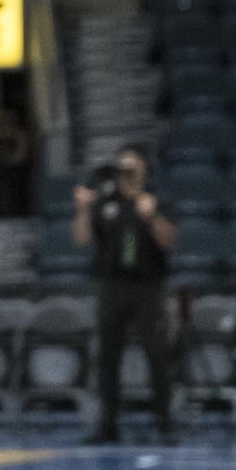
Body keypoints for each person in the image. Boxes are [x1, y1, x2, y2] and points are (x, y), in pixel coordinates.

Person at [71, 144, 179, 444]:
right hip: (111, 285)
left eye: (132, 169)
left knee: (157, 354)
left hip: (149, 285)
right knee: (108, 355)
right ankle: (108, 424)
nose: (126, 175)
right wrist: (82, 208)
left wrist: (151, 215)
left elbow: (169, 240)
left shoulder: (157, 198)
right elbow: (81, 238)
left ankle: (165, 422)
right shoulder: (105, 200)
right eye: (122, 169)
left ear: (143, 171)